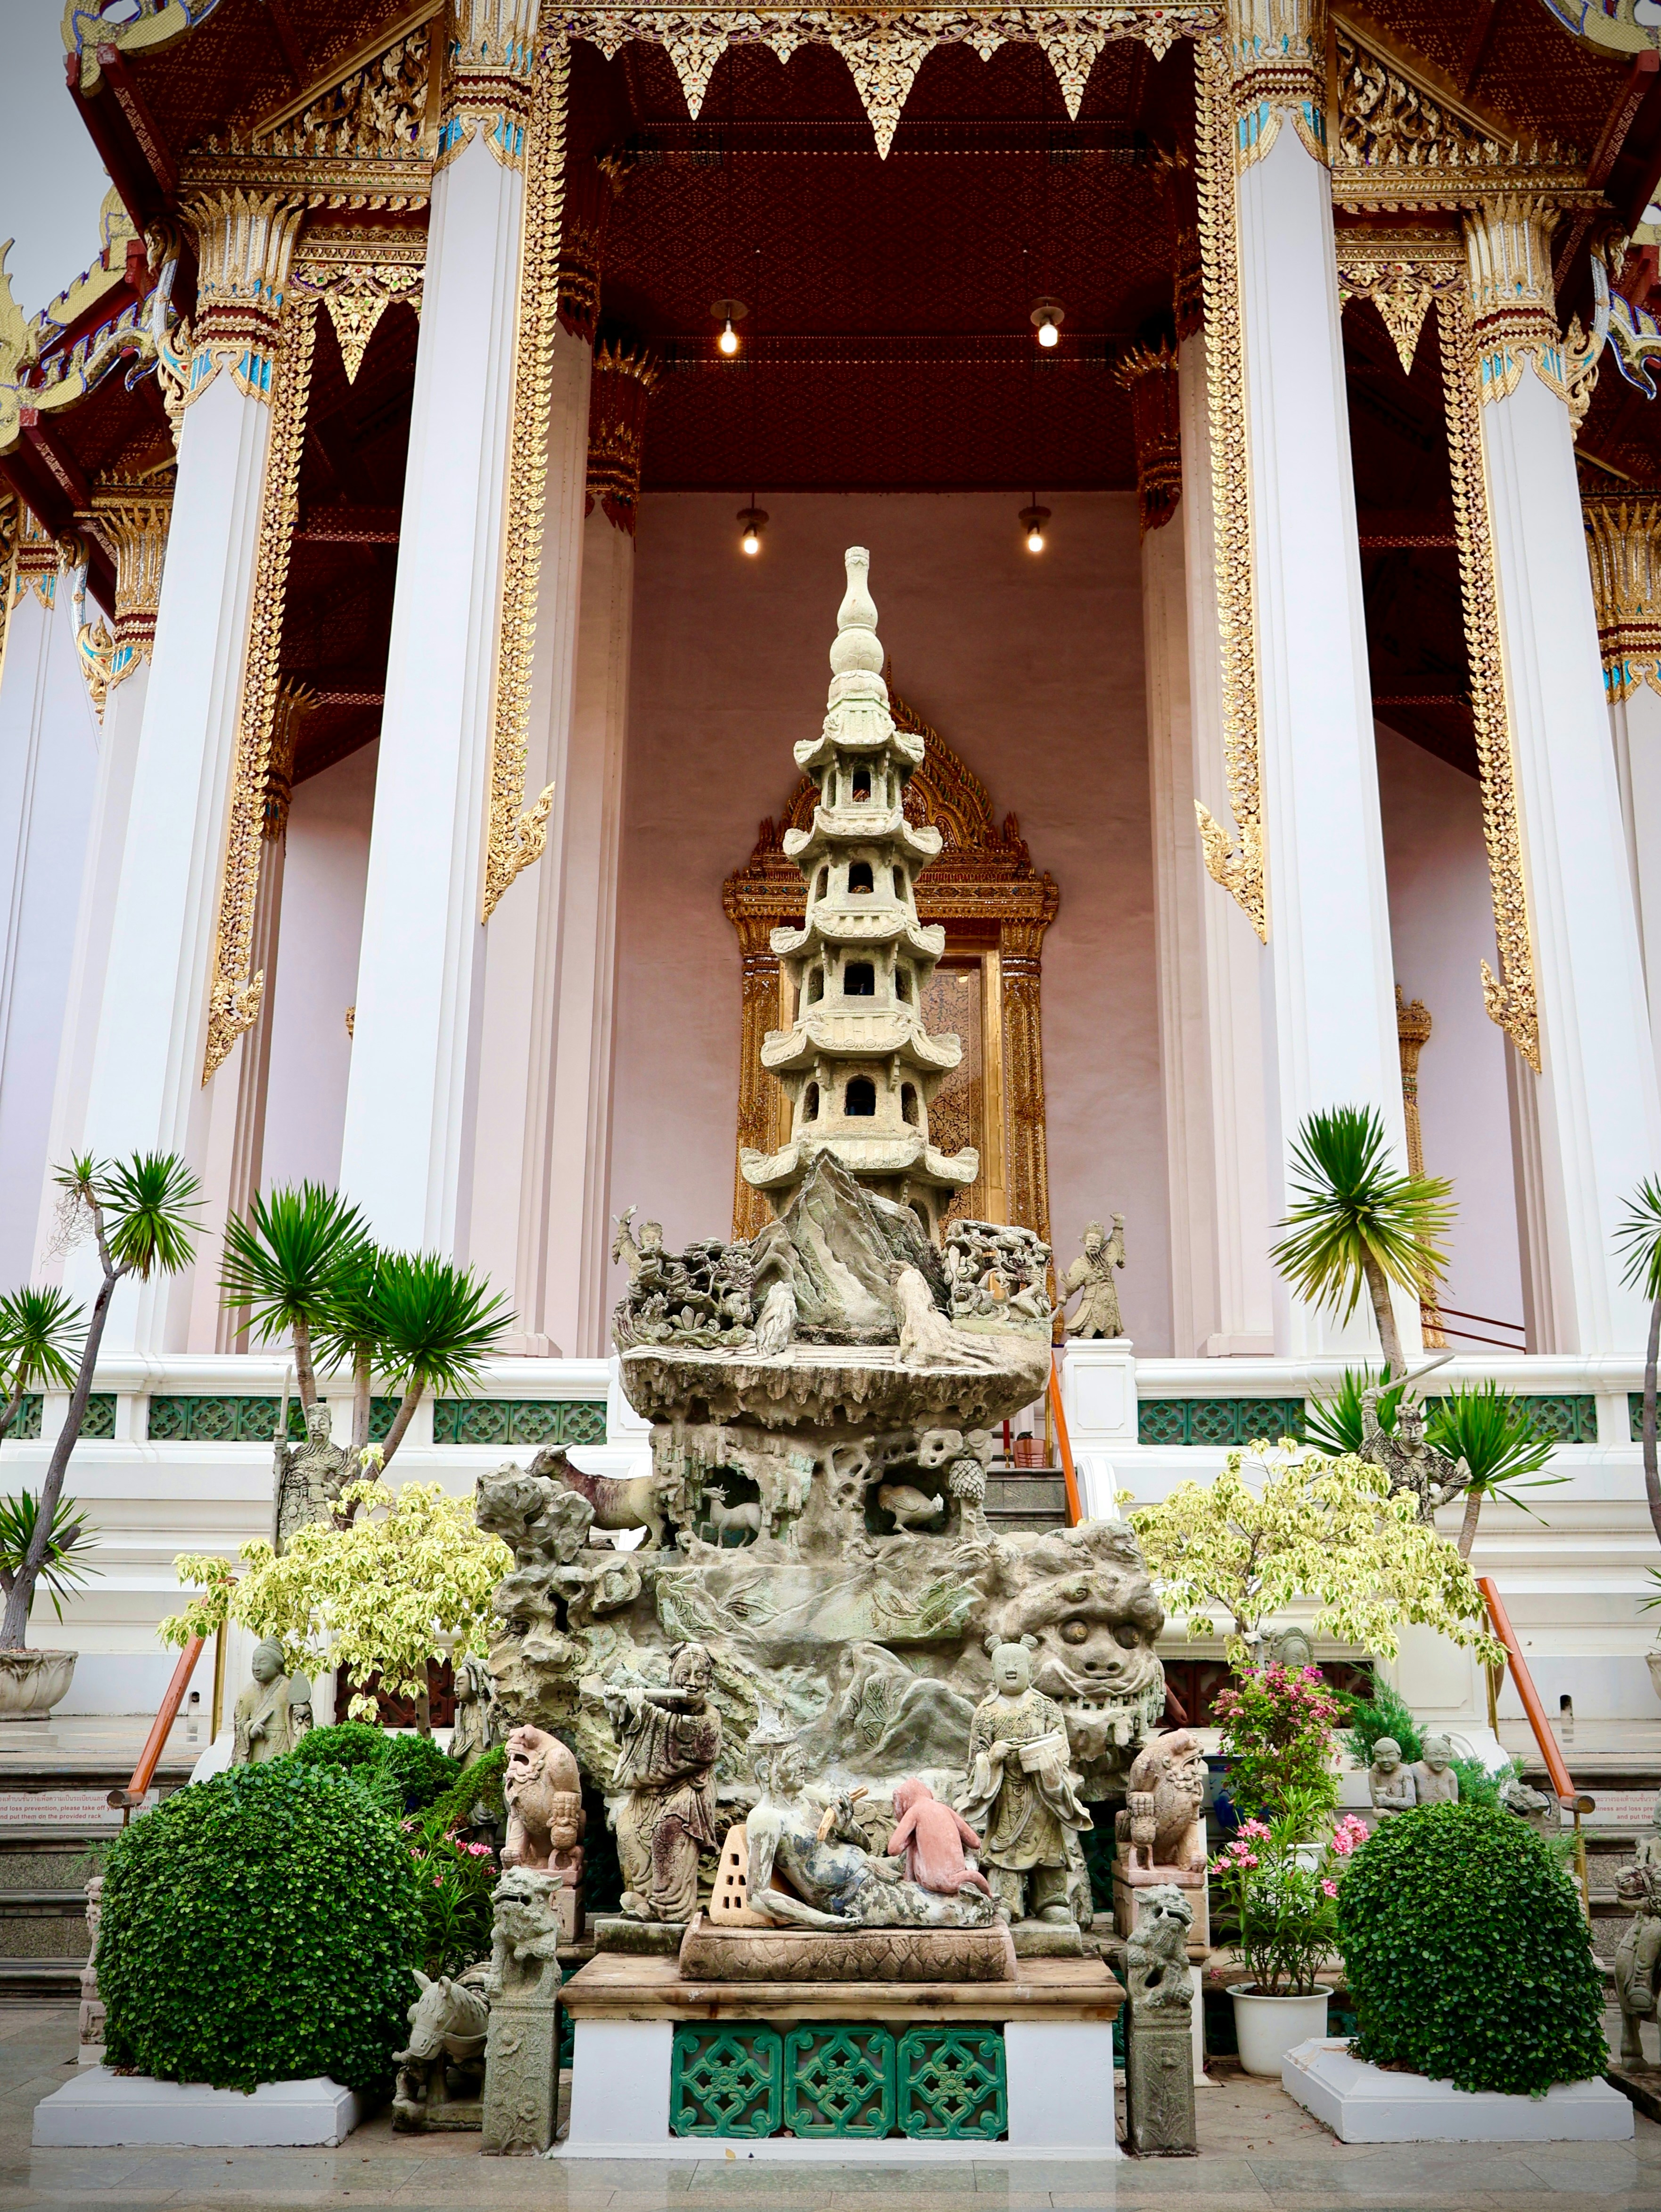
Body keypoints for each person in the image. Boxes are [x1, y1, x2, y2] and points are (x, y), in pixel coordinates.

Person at [957, 1637, 1092, 1924]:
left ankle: (1051, 1900)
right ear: (993, 1671)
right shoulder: (985, 1713)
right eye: (1003, 1665)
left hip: (1042, 1793)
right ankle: (1005, 1901)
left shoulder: (1045, 1707)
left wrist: (1047, 1760)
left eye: (1017, 1665)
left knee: (1048, 1849)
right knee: (1005, 1848)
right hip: (1006, 1794)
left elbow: (1063, 1750)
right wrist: (993, 1757)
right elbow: (975, 1760)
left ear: (1030, 1669)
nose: (1011, 1671)